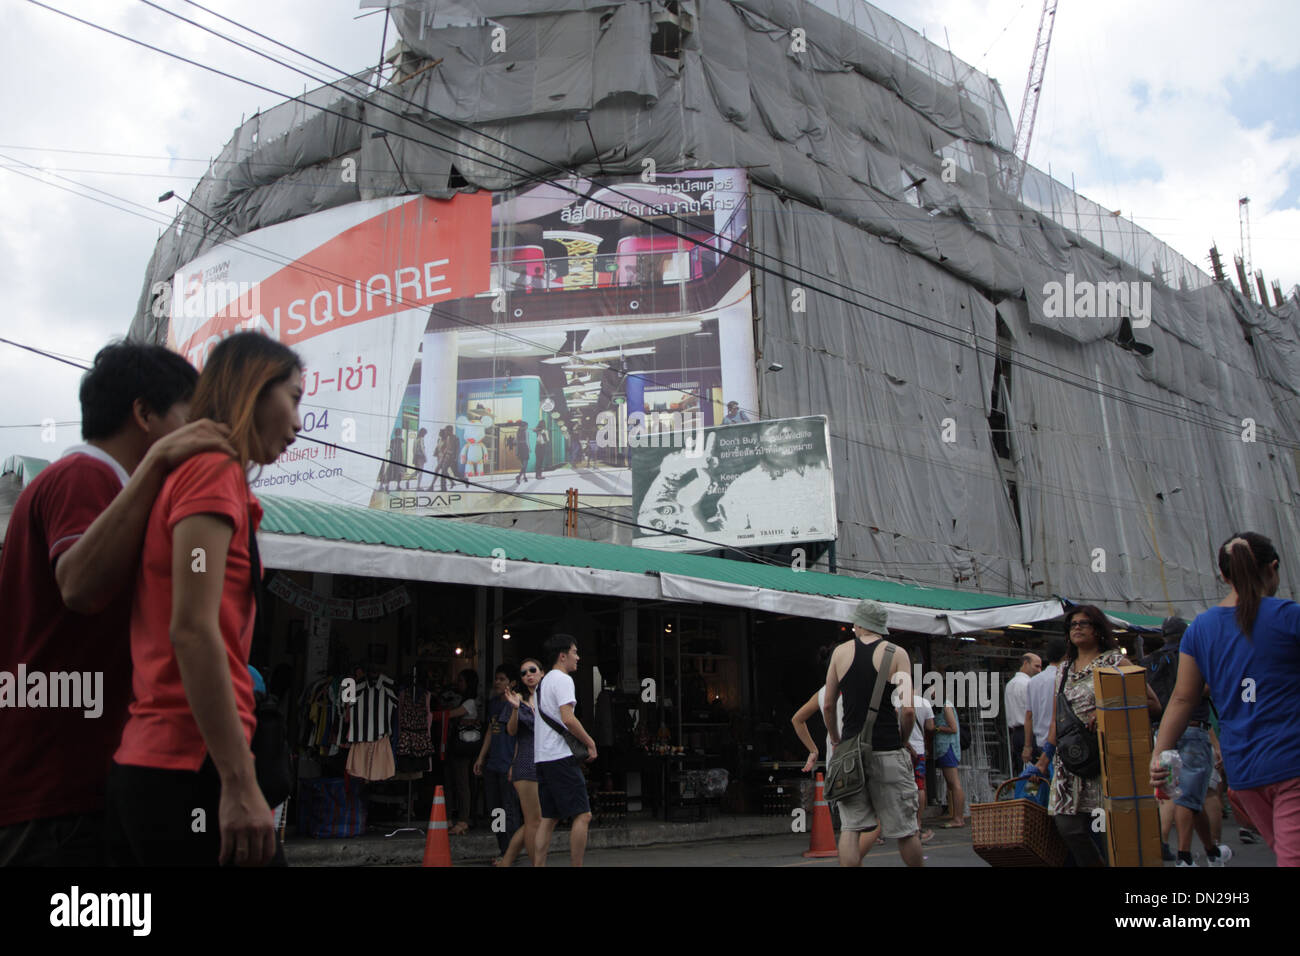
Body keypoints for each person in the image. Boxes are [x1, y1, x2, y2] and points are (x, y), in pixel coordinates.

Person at [0, 343, 232, 867]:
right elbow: (80, 587)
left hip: (76, 786)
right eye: (189, 416)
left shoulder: (117, 490)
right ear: (144, 414)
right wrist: (159, 467)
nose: (198, 434)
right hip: (59, 793)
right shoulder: (86, 476)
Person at [104, 331, 302, 866]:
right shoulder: (212, 472)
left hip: (179, 761)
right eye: (295, 396)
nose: (299, 422)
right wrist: (239, 783)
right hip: (189, 763)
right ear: (256, 389)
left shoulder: (212, 476)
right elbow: (192, 627)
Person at [1152, 532, 1300, 867]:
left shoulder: (1200, 629)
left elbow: (1181, 699)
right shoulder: (1290, 616)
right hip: (1292, 764)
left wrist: (1159, 753)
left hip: (1246, 773)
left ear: (1223, 576)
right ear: (1273, 568)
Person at [1037, 605, 1160, 867]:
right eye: (1073, 625)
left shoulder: (1115, 662)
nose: (1077, 628)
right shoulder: (1064, 669)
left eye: (1084, 623)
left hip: (1104, 759)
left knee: (1108, 829)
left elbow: (1151, 702)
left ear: (1098, 629)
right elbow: (1057, 716)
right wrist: (1044, 757)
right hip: (1069, 761)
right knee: (1067, 825)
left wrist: (1107, 712)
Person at [823, 599, 923, 867]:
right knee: (906, 830)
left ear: (858, 624)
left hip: (850, 754)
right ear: (880, 626)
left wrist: (835, 738)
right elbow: (909, 710)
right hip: (889, 750)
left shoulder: (839, 653)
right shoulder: (898, 654)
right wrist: (903, 740)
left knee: (851, 828)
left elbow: (829, 704)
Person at [1148, 616, 1228, 867]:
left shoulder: (1149, 661)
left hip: (1162, 732)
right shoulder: (1194, 656)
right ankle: (1184, 856)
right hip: (1193, 729)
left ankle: (1211, 851)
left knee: (1177, 794)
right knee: (1199, 795)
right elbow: (1204, 690)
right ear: (1186, 635)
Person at [790, 668, 881, 858]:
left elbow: (797, 719)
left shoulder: (823, 692)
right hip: (860, 760)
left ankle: (850, 857)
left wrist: (813, 750)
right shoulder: (858, 688)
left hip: (837, 763)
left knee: (849, 825)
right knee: (875, 820)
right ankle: (851, 860)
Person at [533, 634, 597, 867]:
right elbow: (568, 719)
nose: (578, 657)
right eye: (574, 652)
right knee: (583, 814)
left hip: (542, 757)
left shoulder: (544, 682)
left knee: (548, 818)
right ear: (562, 656)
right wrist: (590, 742)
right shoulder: (563, 680)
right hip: (559, 756)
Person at [499, 658, 544, 867]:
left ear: (542, 673)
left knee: (535, 821)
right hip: (526, 763)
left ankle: (507, 861)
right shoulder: (517, 699)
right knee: (534, 821)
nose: (528, 674)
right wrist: (516, 709)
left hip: (547, 762)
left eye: (532, 670)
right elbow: (511, 731)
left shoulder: (548, 699)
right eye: (524, 672)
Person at [474, 665, 522, 862]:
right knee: (496, 810)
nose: (497, 682)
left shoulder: (516, 704)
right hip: (493, 764)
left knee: (509, 808)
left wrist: (514, 763)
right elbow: (489, 731)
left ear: (511, 683)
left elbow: (521, 737)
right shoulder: (494, 704)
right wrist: (480, 757)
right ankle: (503, 848)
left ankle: (511, 852)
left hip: (507, 764)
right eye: (496, 679)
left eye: (502, 679)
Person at [445, 669, 480, 836]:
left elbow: (450, 715)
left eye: (461, 681)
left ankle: (463, 820)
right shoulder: (466, 701)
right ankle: (464, 818)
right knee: (462, 782)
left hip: (464, 747)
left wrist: (430, 714)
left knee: (462, 783)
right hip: (466, 746)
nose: (458, 684)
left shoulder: (470, 703)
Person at [1023, 637, 1066, 767]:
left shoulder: (1033, 681)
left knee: (1043, 783)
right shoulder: (1065, 679)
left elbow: (1029, 716)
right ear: (1066, 655)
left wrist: (1028, 746)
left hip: (1040, 743)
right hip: (1061, 743)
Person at [905, 693, 936, 842]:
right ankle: (918, 822)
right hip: (920, 750)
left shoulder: (898, 702)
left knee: (902, 786)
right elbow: (930, 726)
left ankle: (905, 822)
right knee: (920, 786)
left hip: (904, 750)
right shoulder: (924, 702)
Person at [1005, 652, 1041, 772]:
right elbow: (1031, 714)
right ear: (1026, 663)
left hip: (1017, 734)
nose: (1039, 670)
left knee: (1024, 773)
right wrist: (1028, 745)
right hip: (1029, 733)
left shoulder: (1010, 684)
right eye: (1036, 666)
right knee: (1037, 773)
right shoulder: (1028, 684)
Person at [933, 698, 965, 827]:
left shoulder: (946, 706)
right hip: (943, 747)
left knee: (954, 783)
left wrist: (937, 728)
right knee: (950, 784)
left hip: (948, 747)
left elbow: (953, 728)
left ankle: (958, 817)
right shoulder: (942, 706)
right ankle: (954, 814)